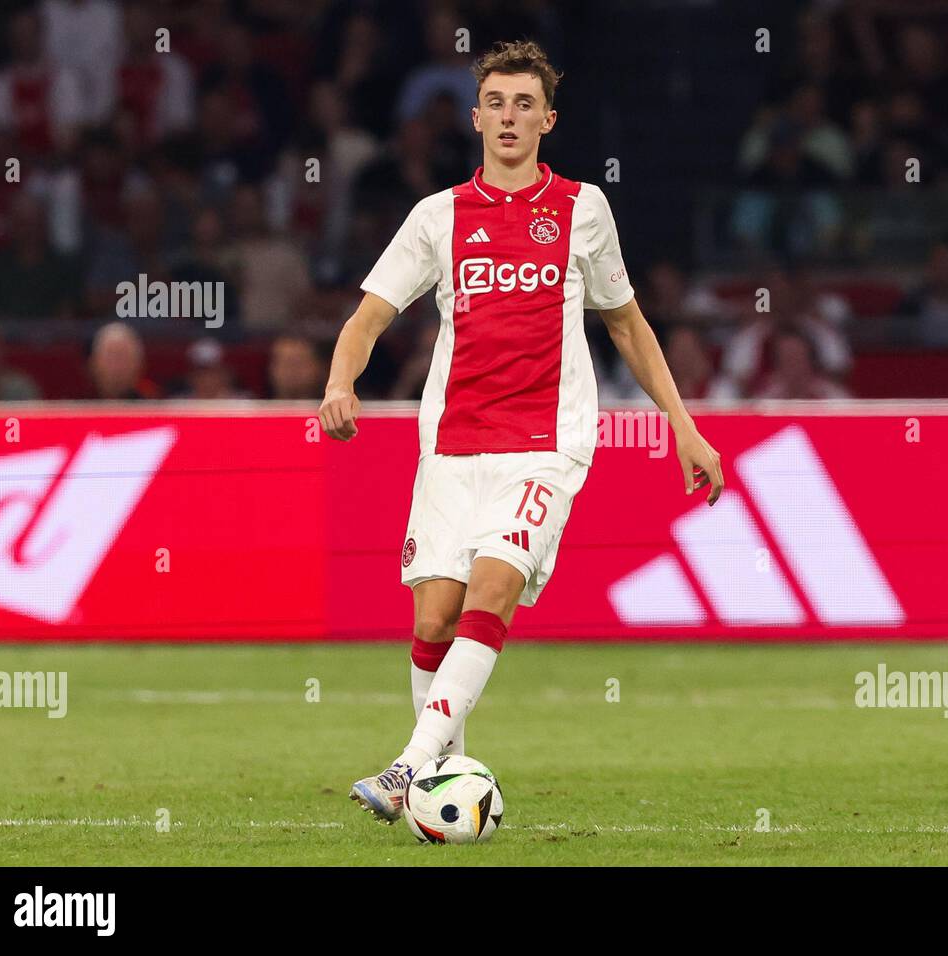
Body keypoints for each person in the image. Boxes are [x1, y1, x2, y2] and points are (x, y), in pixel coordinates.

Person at [317, 40, 724, 825]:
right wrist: (340, 382)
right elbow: (367, 317)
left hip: (545, 442)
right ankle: (446, 776)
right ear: (475, 118)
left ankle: (407, 770)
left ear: (548, 119)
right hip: (451, 446)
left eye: (524, 104)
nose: (509, 116)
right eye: (496, 103)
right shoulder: (436, 217)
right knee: (433, 620)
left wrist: (684, 426)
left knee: (495, 589)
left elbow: (629, 325)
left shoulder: (582, 209)